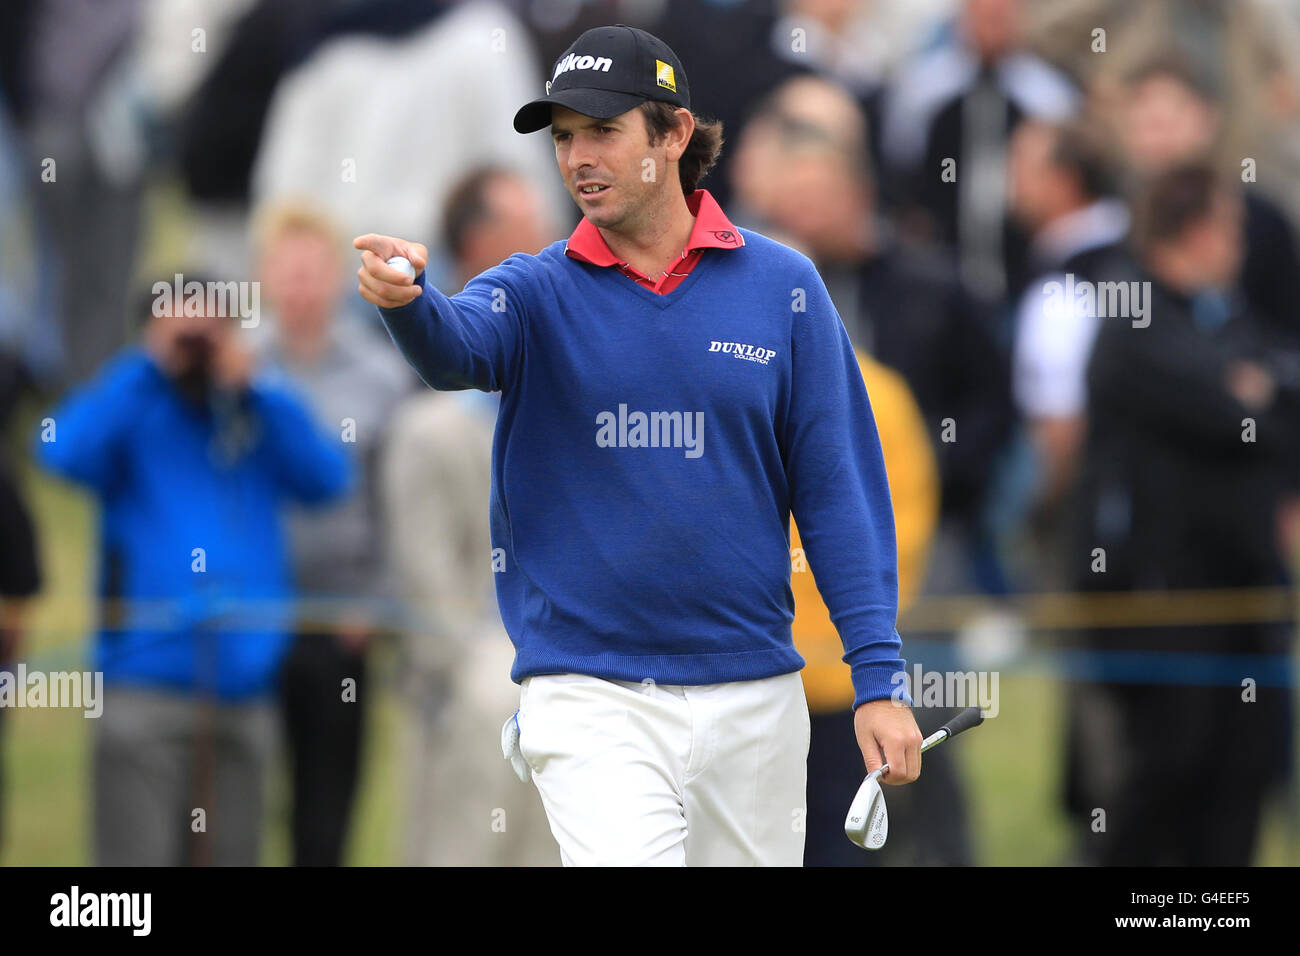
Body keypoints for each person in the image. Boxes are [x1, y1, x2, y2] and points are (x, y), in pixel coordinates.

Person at [355, 24, 922, 867]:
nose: (578, 157)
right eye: (563, 138)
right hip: (590, 696)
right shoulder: (534, 290)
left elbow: (838, 492)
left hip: (757, 694)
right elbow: (455, 349)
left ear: (675, 134)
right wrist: (410, 303)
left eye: (602, 131)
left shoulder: (785, 288)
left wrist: (878, 680)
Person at [35, 286, 351, 866]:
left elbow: (328, 478)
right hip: (142, 684)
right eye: (183, 333)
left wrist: (260, 385)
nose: (197, 348)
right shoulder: (133, 408)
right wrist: (146, 366)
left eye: (211, 332)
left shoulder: (254, 412)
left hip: (242, 689)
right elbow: (59, 451)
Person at [1069, 164, 1299, 865]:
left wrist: (1262, 388)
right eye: (1231, 228)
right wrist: (1252, 391)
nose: (1240, 244)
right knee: (1168, 771)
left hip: (1243, 588)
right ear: (1197, 231)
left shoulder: (1221, 313)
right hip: (1160, 595)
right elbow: (1229, 412)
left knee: (1246, 769)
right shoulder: (1133, 311)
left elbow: (1279, 389)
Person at [386, 166, 557, 867]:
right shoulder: (430, 430)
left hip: (564, 666)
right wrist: (480, 672)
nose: (546, 238)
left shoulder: (565, 393)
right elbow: (427, 583)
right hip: (472, 684)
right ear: (481, 243)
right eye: (524, 226)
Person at [253, 202, 414, 866]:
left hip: (341, 619)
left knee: (327, 804)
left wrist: (376, 601)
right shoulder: (241, 368)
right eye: (287, 272)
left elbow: (398, 504)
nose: (300, 288)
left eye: (312, 272)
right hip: (251, 614)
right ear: (264, 278)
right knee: (240, 794)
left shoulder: (382, 376)